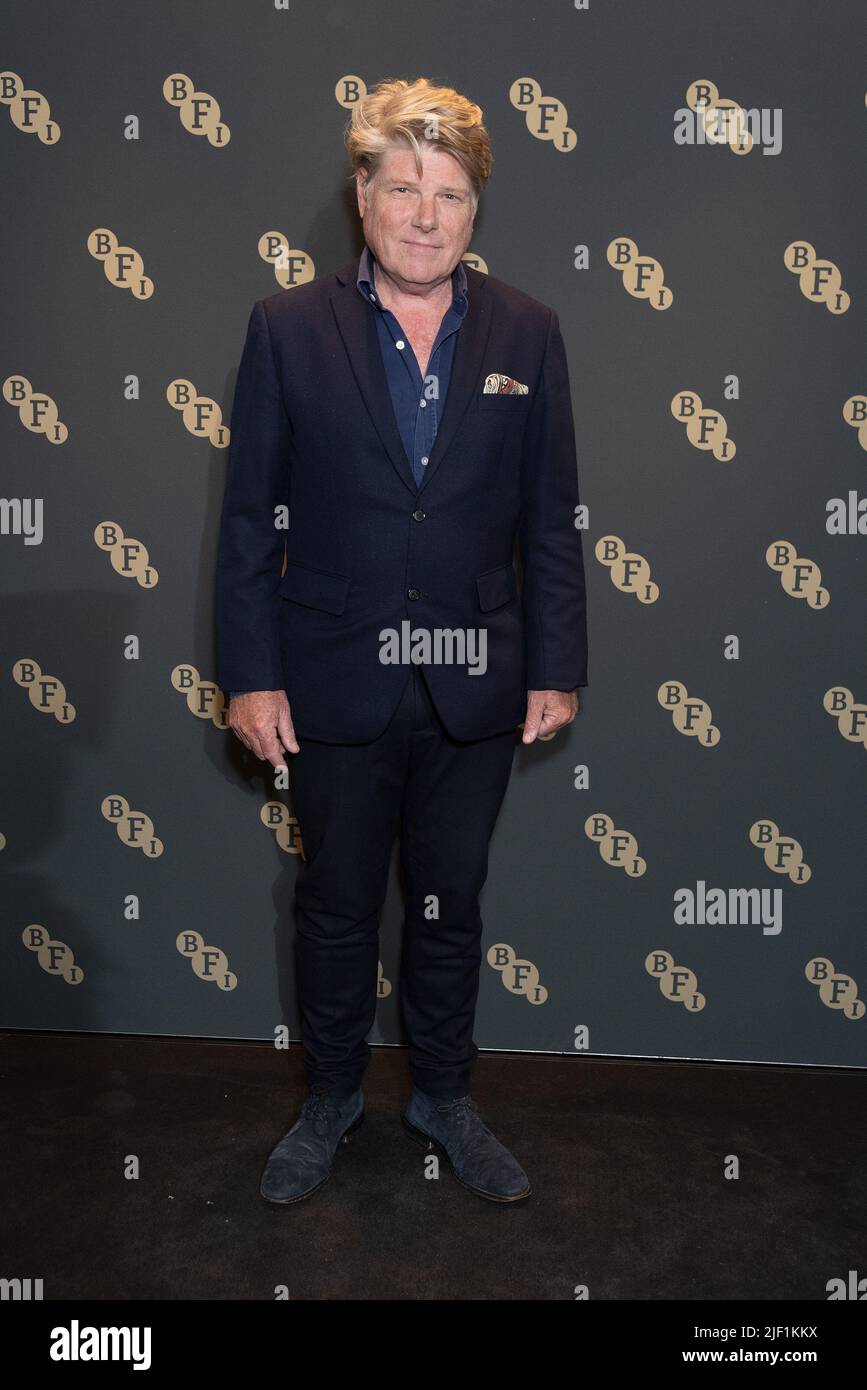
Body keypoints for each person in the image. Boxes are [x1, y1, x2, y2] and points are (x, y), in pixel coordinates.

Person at [216, 77, 588, 1205]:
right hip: (330, 674)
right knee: (332, 905)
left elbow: (551, 515)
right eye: (404, 188)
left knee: (450, 900)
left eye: (453, 194)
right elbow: (247, 519)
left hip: (477, 679)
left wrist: (557, 664)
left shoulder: (530, 328)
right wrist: (250, 675)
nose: (427, 215)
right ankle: (330, 1097)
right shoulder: (285, 329)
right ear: (364, 198)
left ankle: (443, 1093)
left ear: (476, 210)